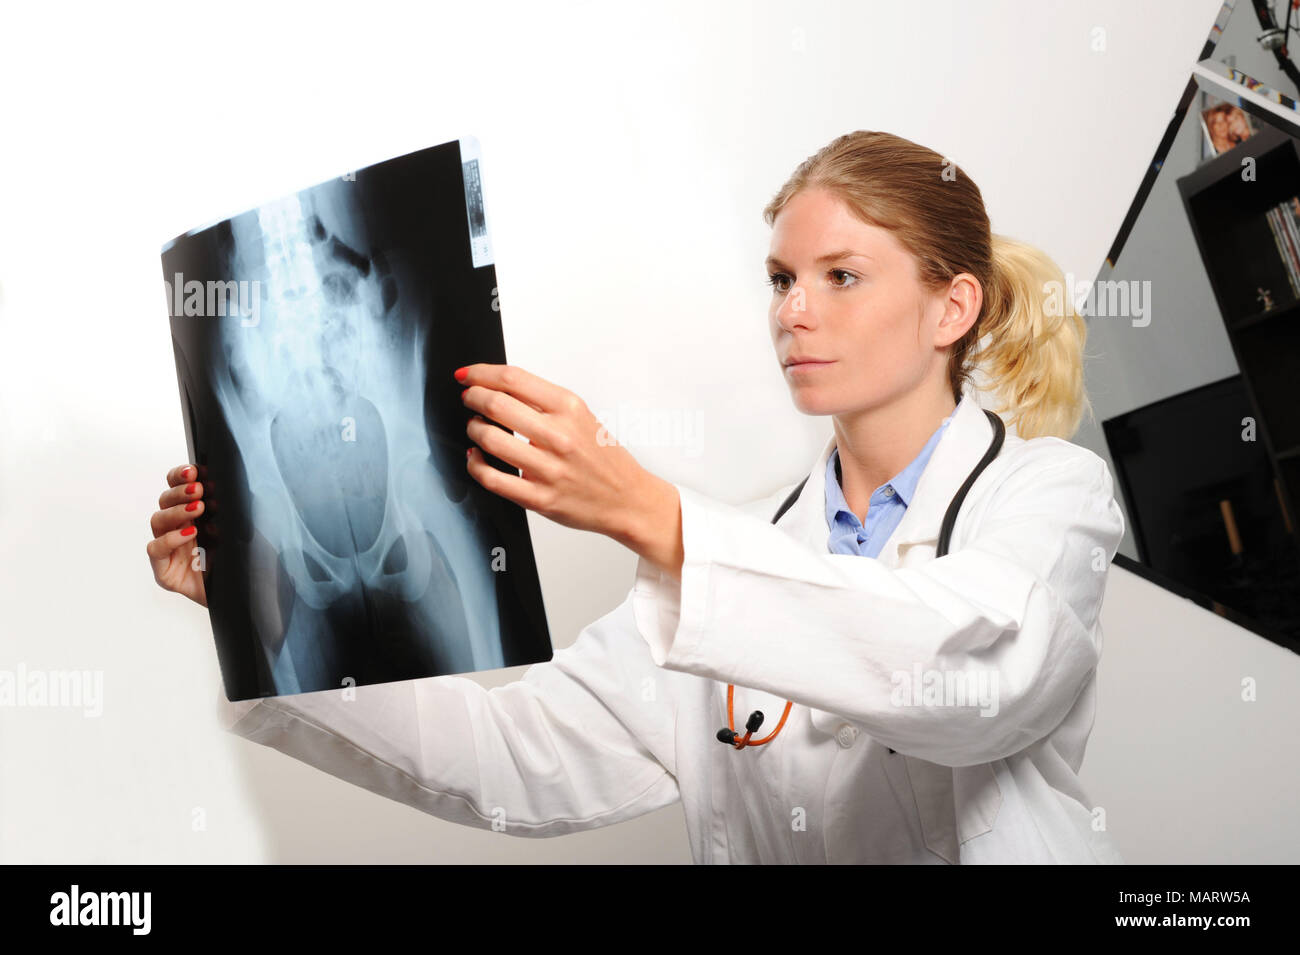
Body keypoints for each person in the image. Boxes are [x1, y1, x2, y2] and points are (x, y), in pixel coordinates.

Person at [147, 130, 1126, 864]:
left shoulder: (1048, 496)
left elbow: (975, 678)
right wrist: (251, 610)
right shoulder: (732, 552)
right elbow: (510, 754)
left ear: (951, 306)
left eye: (841, 276)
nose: (792, 310)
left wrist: (651, 514)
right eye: (781, 277)